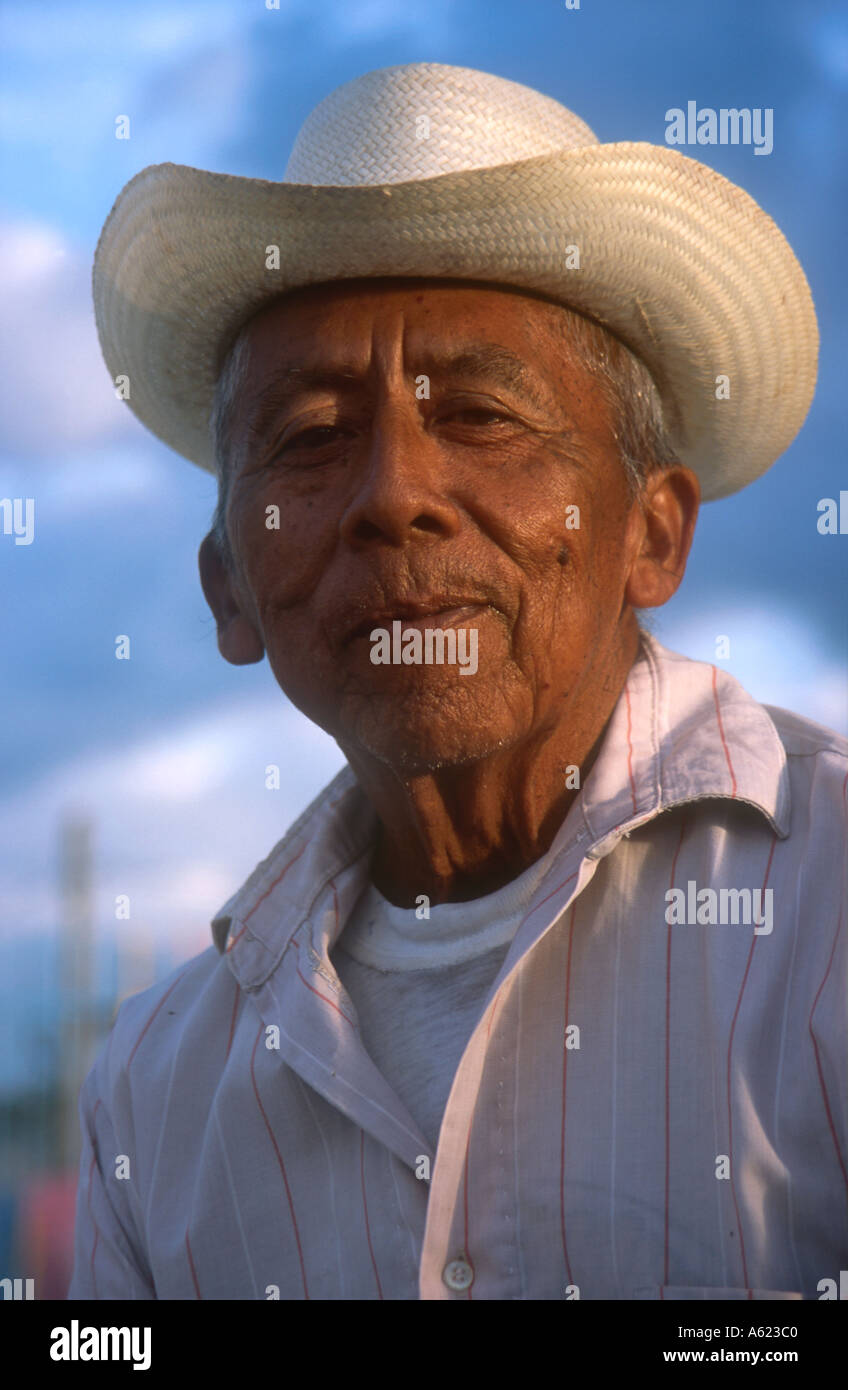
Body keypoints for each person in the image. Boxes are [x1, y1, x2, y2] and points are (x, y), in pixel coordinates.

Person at [68, 62, 845, 1301]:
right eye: (313, 436)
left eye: (481, 413)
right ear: (229, 590)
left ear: (649, 534)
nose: (393, 497)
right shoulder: (152, 1093)